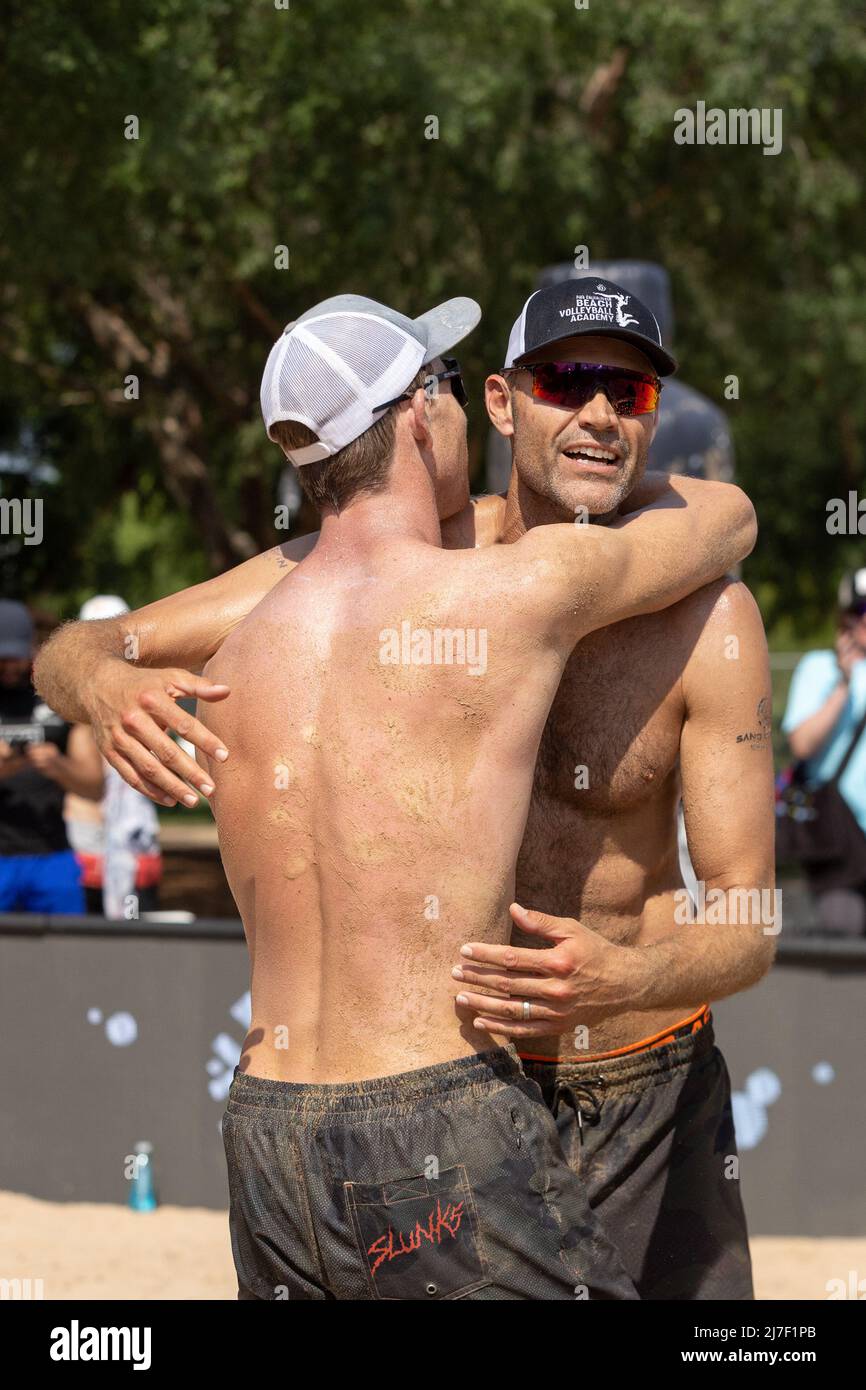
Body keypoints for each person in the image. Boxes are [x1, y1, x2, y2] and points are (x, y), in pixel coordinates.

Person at [34, 280, 769, 1301]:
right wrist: (104, 680)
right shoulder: (445, 569)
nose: (601, 412)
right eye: (568, 380)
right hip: (459, 1100)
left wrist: (629, 977)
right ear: (494, 406)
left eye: (630, 391)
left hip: (637, 1086)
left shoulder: (704, 619)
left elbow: (749, 913)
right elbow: (75, 645)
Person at [0, 600, 103, 913]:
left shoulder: (57, 702)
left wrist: (58, 765)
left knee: (64, 953)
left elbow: (94, 787)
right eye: (1, 658)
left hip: (52, 856)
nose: (9, 667)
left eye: (15, 657)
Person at [64, 596, 163, 918]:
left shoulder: (149, 692)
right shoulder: (73, 704)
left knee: (136, 934)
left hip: (134, 835)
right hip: (90, 836)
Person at [781, 567, 866, 936]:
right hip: (839, 838)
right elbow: (802, 744)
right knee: (843, 934)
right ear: (848, 617)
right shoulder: (821, 669)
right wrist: (842, 688)